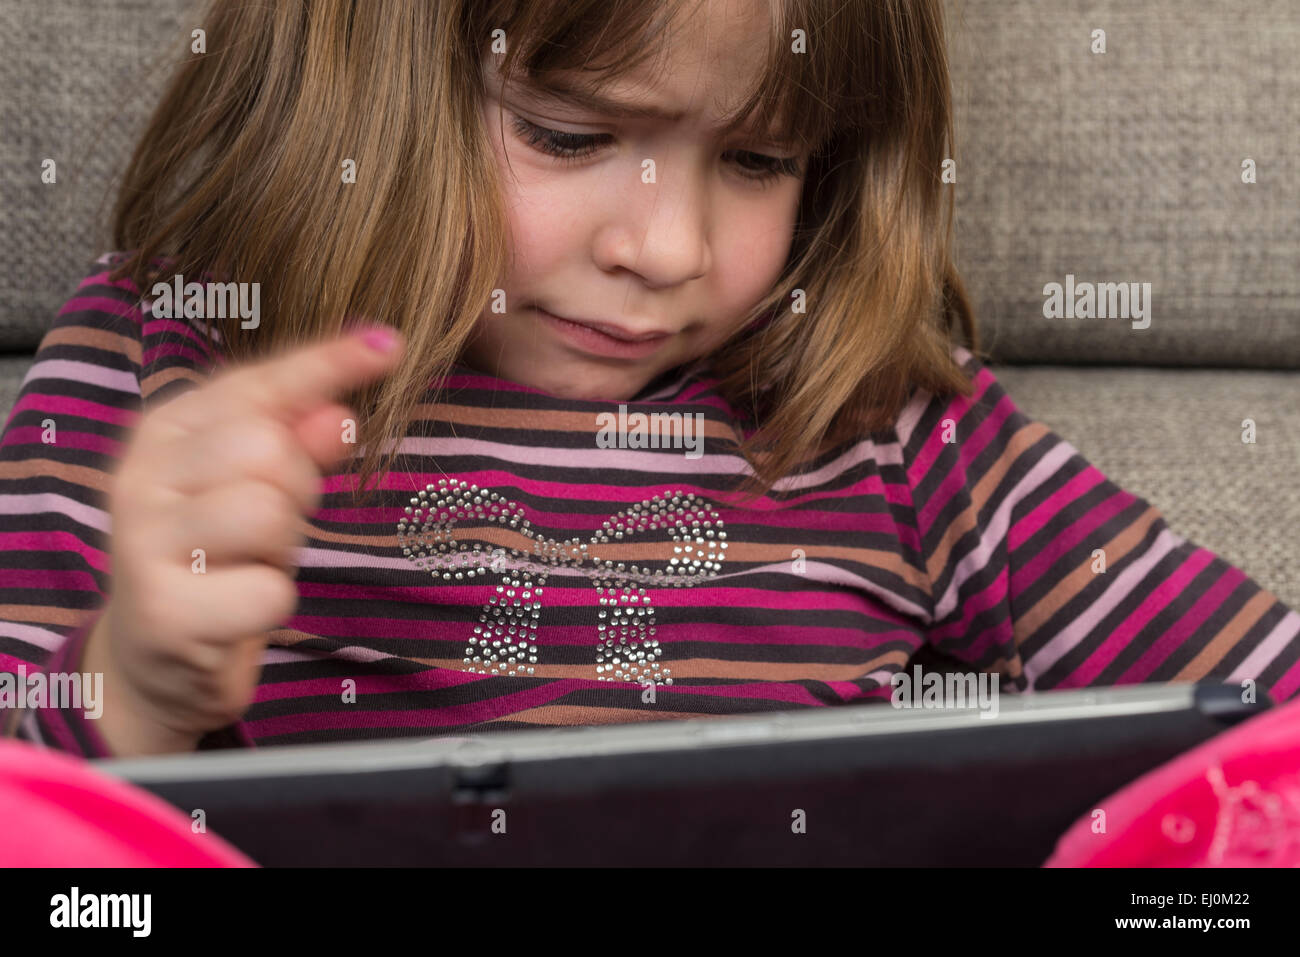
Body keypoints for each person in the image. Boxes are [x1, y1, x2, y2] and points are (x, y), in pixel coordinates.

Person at [1, 0, 1296, 761]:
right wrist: (132, 686)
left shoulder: (892, 421)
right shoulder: (167, 354)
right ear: (357, 95)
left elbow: (1266, 714)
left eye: (758, 162)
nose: (666, 248)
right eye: (570, 134)